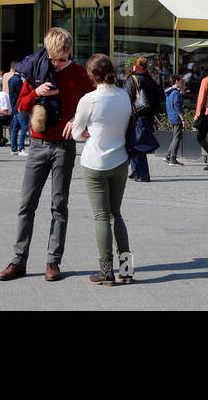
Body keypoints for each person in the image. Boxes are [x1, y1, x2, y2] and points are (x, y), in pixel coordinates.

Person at [0, 27, 94, 283]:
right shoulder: (38, 71)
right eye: (54, 59)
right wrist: (35, 93)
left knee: (59, 205)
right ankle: (18, 261)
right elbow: (19, 105)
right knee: (26, 204)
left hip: (64, 146)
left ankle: (53, 262)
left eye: (63, 58)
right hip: (38, 145)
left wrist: (77, 118)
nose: (59, 64)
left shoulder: (79, 74)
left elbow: (92, 104)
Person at [72, 53, 135, 285]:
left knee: (101, 216)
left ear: (91, 75)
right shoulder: (124, 96)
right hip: (120, 160)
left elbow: (77, 132)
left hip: (95, 162)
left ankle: (106, 271)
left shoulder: (89, 99)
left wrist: (86, 131)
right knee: (116, 214)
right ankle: (127, 270)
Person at [124, 56, 159, 182]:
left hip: (135, 116)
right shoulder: (151, 80)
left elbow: (126, 98)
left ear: (135, 66)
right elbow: (157, 100)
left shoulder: (132, 78)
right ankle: (135, 170)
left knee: (137, 144)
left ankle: (143, 174)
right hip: (148, 116)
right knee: (137, 142)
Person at [3, 63, 30, 157]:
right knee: (25, 127)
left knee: (15, 128)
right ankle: (21, 148)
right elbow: (22, 94)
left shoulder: (11, 79)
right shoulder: (18, 80)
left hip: (15, 107)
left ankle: (13, 149)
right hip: (20, 107)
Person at [163, 74, 186, 165]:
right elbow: (177, 106)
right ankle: (173, 159)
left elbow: (182, 95)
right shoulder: (175, 93)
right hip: (176, 117)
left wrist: (183, 86)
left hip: (171, 116)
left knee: (175, 137)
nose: (181, 83)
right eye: (180, 81)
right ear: (176, 82)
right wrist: (183, 119)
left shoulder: (170, 92)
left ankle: (168, 155)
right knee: (177, 138)